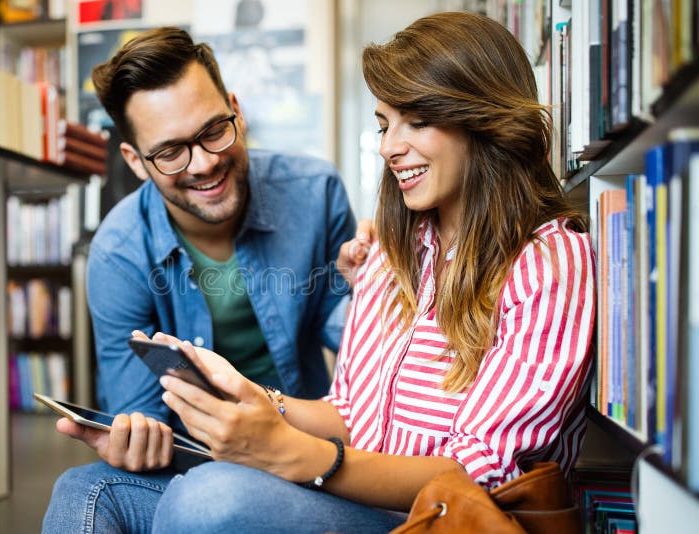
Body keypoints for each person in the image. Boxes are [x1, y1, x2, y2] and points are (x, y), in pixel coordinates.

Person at [137, 11, 596, 533]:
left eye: (416, 121)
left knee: (207, 498)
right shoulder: (390, 254)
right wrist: (251, 394)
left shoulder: (549, 264)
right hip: (365, 506)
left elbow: (478, 475)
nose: (388, 147)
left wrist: (292, 454)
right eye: (384, 125)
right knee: (90, 487)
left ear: (484, 118)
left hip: (447, 519)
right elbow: (353, 415)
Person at [43, 27, 362, 532]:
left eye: (215, 129)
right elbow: (141, 414)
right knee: (82, 489)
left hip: (307, 452)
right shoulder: (118, 253)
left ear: (236, 107)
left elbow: (358, 343)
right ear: (135, 161)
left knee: (211, 499)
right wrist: (136, 441)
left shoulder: (316, 192)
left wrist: (381, 289)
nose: (207, 162)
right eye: (170, 152)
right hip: (196, 461)